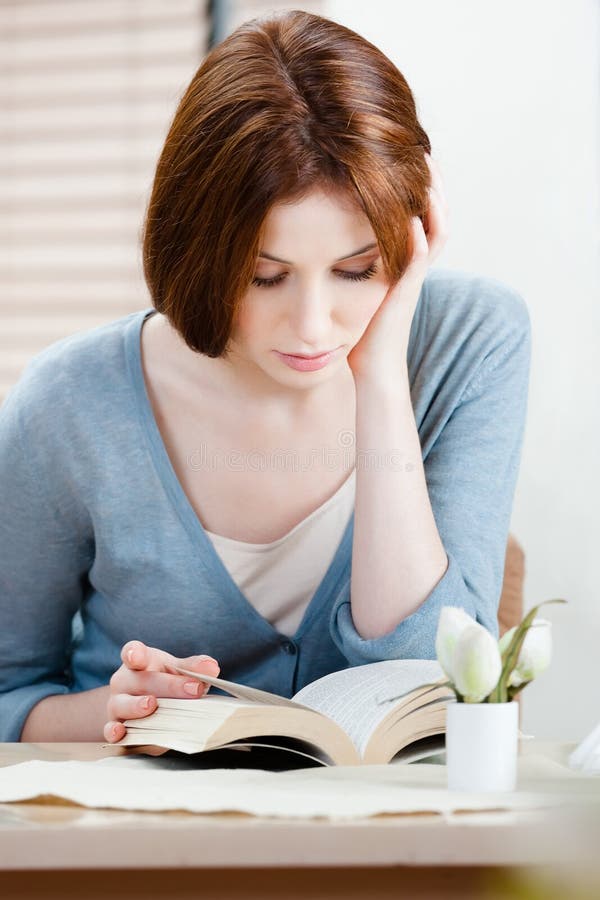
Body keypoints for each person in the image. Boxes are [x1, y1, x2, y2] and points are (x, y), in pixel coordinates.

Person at [0, 10, 530, 744]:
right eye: (265, 277)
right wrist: (111, 715)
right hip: (144, 840)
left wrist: (379, 373)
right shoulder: (66, 403)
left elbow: (430, 680)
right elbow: (8, 688)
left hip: (392, 843)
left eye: (357, 270)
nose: (314, 327)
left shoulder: (470, 339)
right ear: (197, 251)